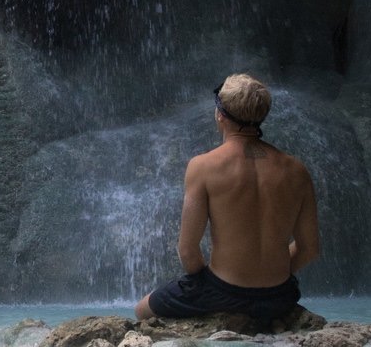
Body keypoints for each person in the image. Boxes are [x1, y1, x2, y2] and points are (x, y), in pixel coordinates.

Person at [136, 73, 320, 329]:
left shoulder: (204, 166)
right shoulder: (296, 170)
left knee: (142, 309)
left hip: (223, 291)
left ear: (220, 115)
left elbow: (188, 251)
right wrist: (270, 274)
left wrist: (207, 286)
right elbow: (310, 248)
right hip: (279, 295)